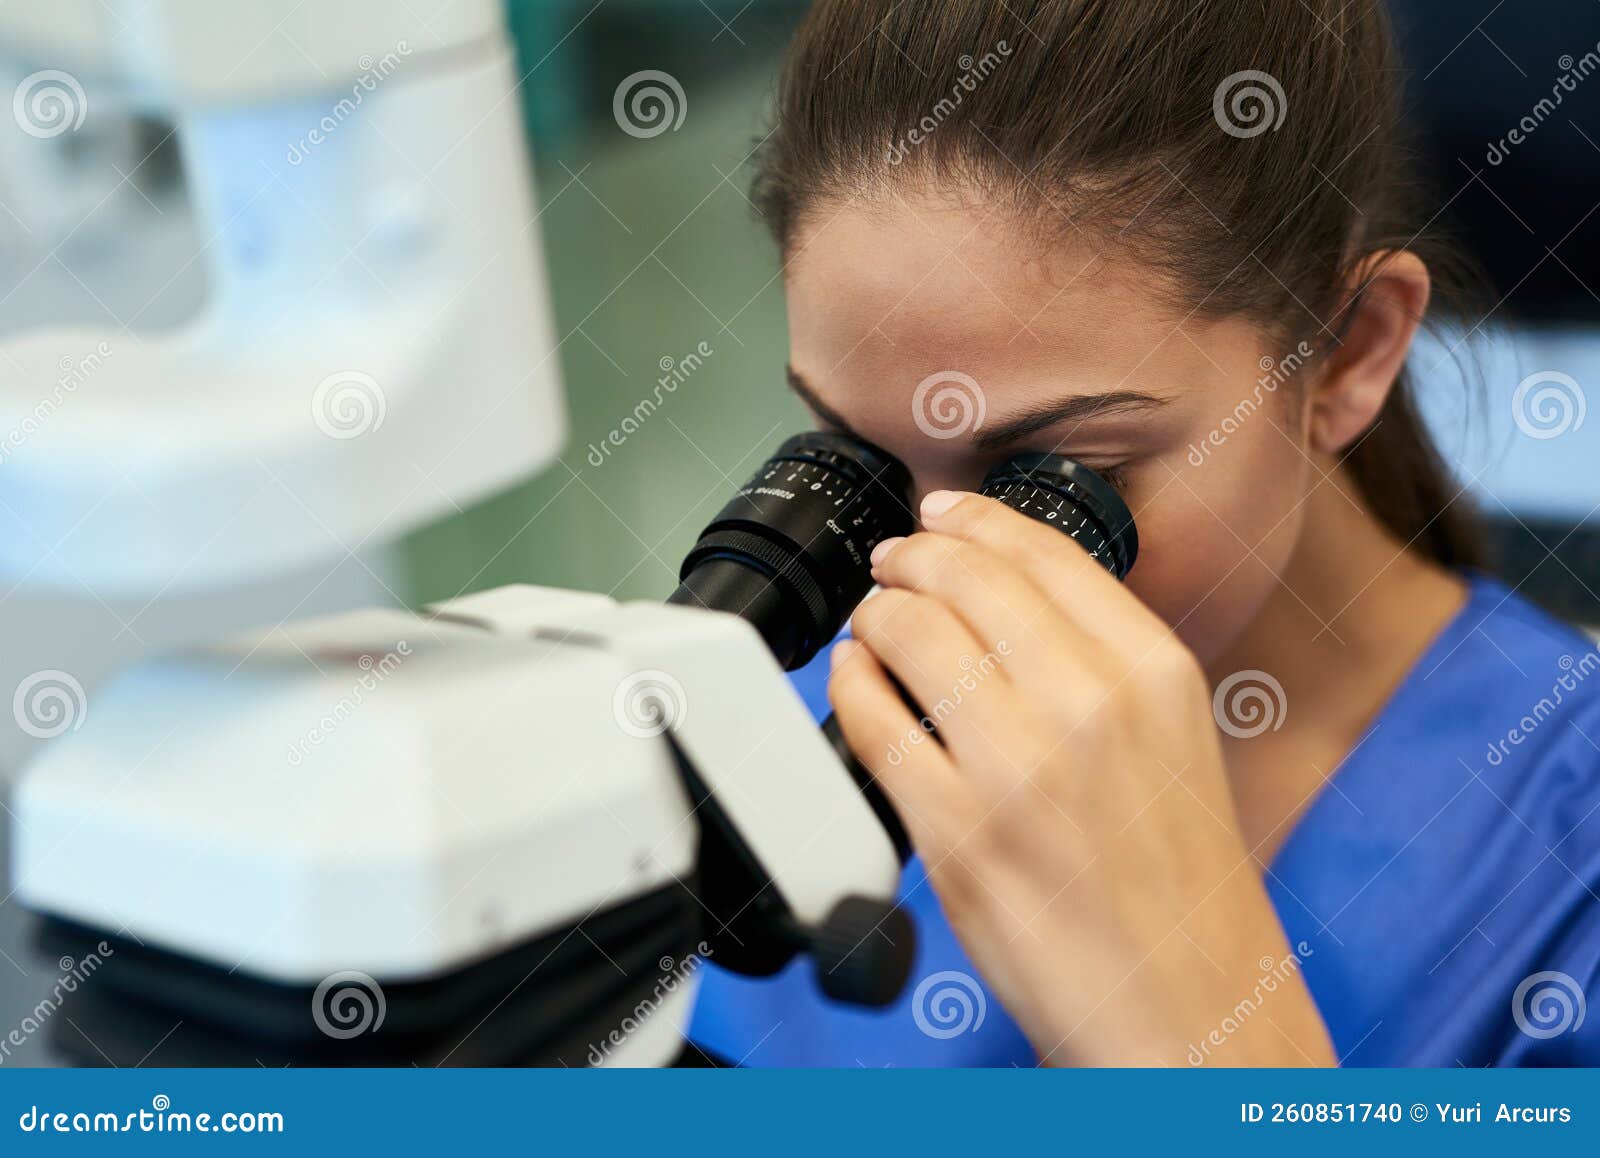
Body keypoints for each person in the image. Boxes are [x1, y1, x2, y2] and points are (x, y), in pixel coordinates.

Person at [688, 0, 1600, 1066]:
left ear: (1349, 350)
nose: (922, 582)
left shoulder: (1560, 862)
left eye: (1067, 482)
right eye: (859, 460)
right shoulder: (782, 726)